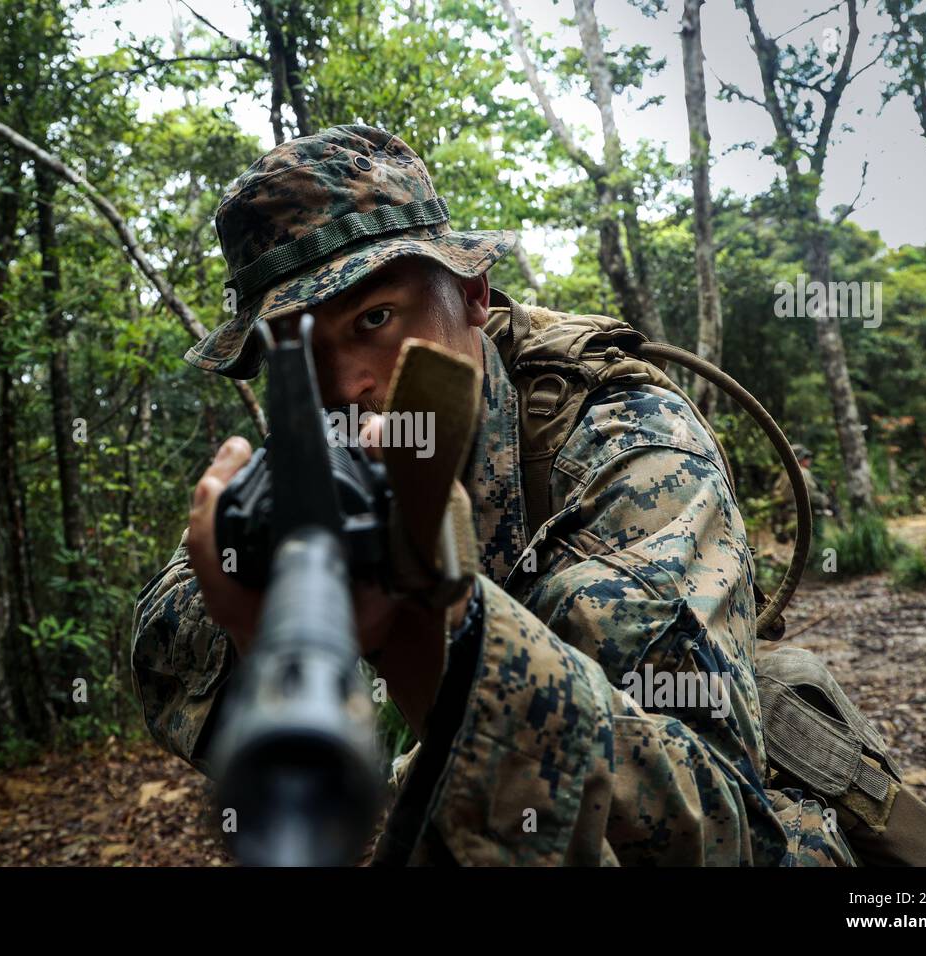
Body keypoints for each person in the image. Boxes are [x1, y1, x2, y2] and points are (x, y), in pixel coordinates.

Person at [131, 124, 853, 865]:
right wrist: (255, 598)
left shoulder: (624, 446)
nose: (344, 386)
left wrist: (436, 628)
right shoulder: (317, 447)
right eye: (298, 351)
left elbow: (715, 829)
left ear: (472, 294)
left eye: (375, 319)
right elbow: (164, 638)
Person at [769, 444, 833, 544]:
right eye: (806, 457)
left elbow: (776, 496)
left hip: (787, 518)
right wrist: (826, 500)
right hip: (802, 518)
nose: (809, 460)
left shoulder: (784, 474)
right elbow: (811, 496)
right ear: (799, 458)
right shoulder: (803, 472)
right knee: (814, 548)